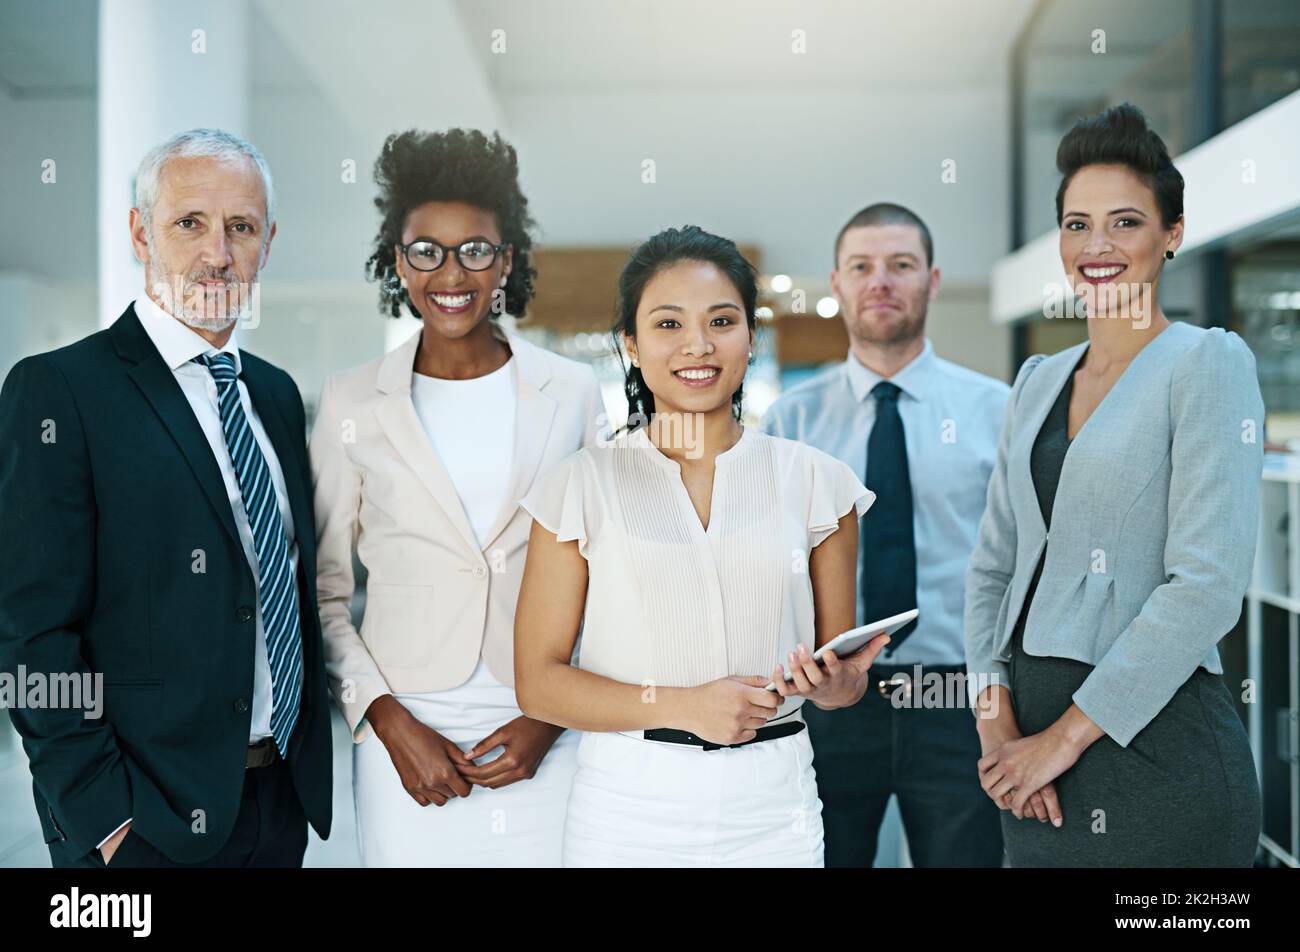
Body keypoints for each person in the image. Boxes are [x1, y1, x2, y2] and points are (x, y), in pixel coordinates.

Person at [0, 128, 333, 867]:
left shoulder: (274, 395)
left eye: (240, 227)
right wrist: (102, 817)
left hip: (275, 806)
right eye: (190, 223)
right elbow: (29, 634)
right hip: (141, 824)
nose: (217, 252)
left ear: (266, 242)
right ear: (140, 234)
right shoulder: (60, 391)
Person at [514, 225, 893, 867]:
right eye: (668, 325)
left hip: (775, 809)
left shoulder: (819, 483)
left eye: (722, 320)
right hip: (627, 810)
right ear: (631, 346)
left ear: (750, 336)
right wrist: (686, 706)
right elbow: (538, 684)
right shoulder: (579, 485)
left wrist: (836, 685)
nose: (698, 344)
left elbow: (842, 680)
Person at [965, 102, 1264, 866]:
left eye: (1125, 222)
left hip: (1154, 751)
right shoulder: (1036, 380)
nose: (1096, 246)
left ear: (1172, 234)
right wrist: (998, 731)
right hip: (1029, 767)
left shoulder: (1207, 364)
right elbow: (993, 566)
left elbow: (1206, 585)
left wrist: (1059, 743)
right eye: (1076, 224)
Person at [311, 129, 604, 866]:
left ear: (505, 261)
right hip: (405, 730)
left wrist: (548, 719)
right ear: (397, 261)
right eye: (426, 250)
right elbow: (322, 592)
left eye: (475, 249)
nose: (452, 271)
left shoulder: (570, 392)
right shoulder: (352, 398)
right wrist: (384, 719)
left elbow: (609, 575)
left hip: (544, 723)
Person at [762, 203, 1009, 867]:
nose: (881, 282)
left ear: (931, 280)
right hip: (830, 698)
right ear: (836, 283)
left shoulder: (999, 411)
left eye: (901, 265)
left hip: (961, 697)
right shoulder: (790, 418)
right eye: (862, 267)